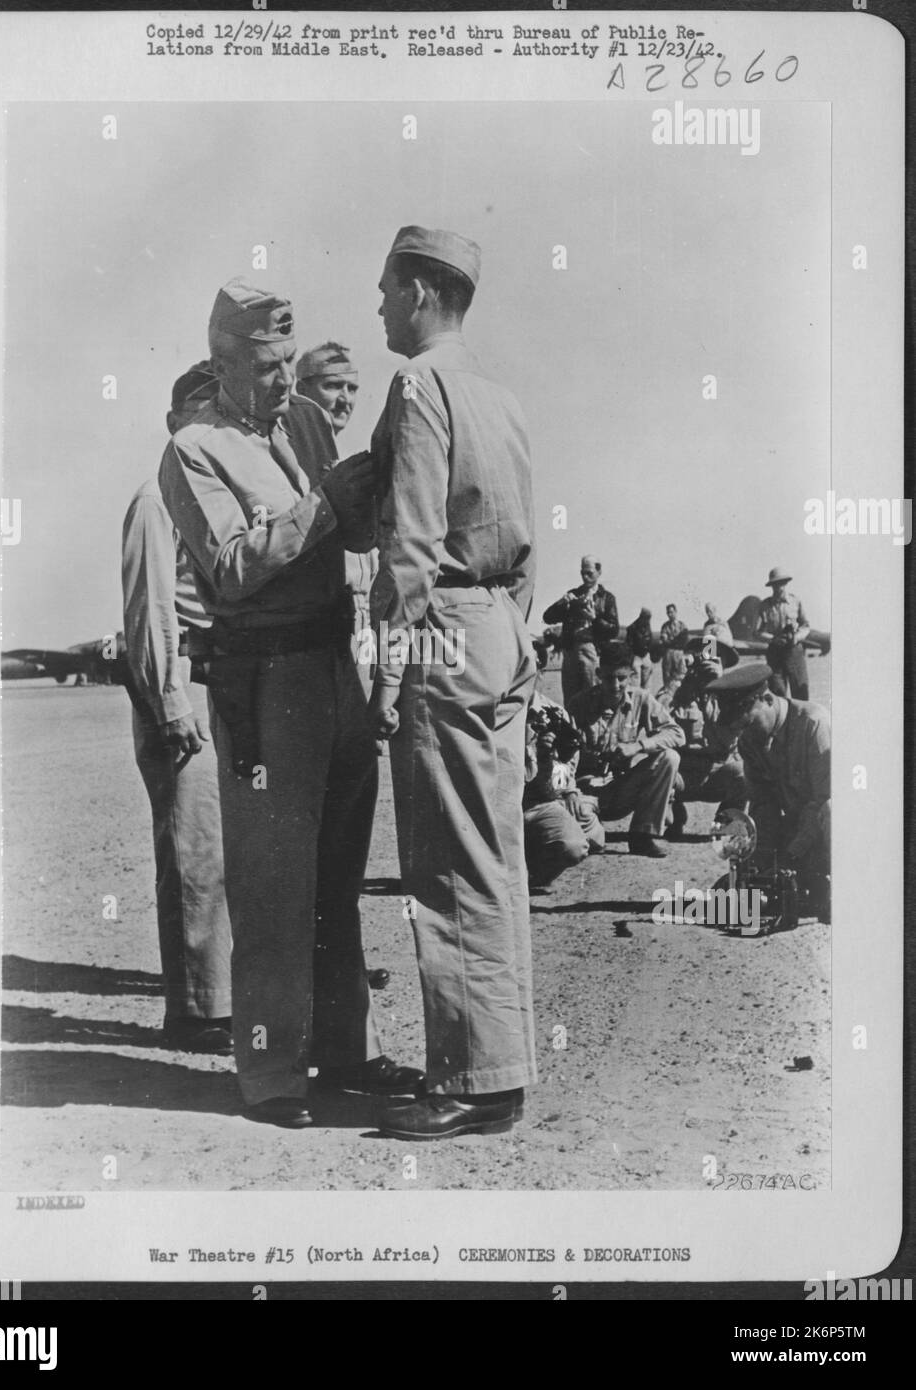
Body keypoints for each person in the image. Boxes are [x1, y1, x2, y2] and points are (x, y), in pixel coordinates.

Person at [159, 278, 420, 1128]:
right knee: (274, 886)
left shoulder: (303, 421)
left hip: (334, 665)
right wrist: (322, 510)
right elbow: (231, 566)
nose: (284, 383)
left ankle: (344, 1052)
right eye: (267, 369)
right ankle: (271, 1074)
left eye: (286, 364)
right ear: (225, 364)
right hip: (267, 682)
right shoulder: (193, 451)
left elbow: (353, 526)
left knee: (336, 878)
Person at [366, 225, 537, 1141]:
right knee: (494, 854)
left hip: (445, 631)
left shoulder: (419, 384)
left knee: (444, 858)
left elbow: (412, 547)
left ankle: (475, 1081)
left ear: (424, 293)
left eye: (389, 289)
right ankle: (497, 1066)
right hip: (502, 628)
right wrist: (512, 637)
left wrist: (392, 668)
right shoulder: (498, 394)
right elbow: (526, 541)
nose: (380, 304)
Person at [121, 362, 232, 1053]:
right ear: (172, 425)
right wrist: (169, 701)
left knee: (230, 849)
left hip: (226, 681)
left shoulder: (218, 500)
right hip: (182, 684)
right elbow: (148, 612)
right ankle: (197, 1011)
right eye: (197, 416)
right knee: (194, 850)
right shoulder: (155, 499)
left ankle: (226, 997)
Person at [706, 663, 830, 921]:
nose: (744, 735)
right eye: (739, 729)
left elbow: (822, 802)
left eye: (748, 724)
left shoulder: (813, 723)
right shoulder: (752, 738)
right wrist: (760, 863)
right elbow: (763, 804)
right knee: (736, 889)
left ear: (768, 699)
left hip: (832, 829)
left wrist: (791, 855)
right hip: (802, 827)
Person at [295, 342, 376, 697]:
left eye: (352, 388)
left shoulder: (352, 467)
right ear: (301, 391)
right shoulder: (286, 466)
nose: (345, 399)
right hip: (309, 637)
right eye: (332, 386)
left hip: (363, 633)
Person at [568, 640, 684, 857]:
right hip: (587, 793)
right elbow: (561, 756)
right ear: (599, 673)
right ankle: (593, 830)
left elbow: (677, 733)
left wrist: (638, 746)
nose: (615, 685)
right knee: (591, 846)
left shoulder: (641, 699)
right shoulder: (579, 704)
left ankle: (642, 836)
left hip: (623, 790)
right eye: (609, 678)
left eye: (621, 678)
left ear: (631, 675)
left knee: (669, 757)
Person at [659, 634, 747, 839]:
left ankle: (724, 825)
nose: (707, 665)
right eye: (702, 658)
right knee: (659, 767)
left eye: (715, 660)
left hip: (717, 771)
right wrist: (685, 688)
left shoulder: (733, 695)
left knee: (745, 773)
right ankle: (674, 817)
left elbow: (730, 739)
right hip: (683, 773)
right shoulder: (676, 689)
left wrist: (719, 690)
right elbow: (656, 722)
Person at [524, 682, 603, 888]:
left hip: (538, 800)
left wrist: (546, 761)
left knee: (583, 842)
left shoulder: (554, 713)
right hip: (497, 801)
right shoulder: (489, 708)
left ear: (539, 672)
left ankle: (535, 874)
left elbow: (562, 775)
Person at [543, 557, 619, 705]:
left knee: (594, 696)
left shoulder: (607, 598)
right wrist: (561, 603)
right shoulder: (573, 595)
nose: (585, 577)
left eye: (589, 573)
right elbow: (548, 618)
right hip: (571, 650)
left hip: (593, 651)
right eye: (583, 573)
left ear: (599, 572)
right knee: (571, 698)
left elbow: (613, 630)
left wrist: (595, 619)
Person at [753, 565, 810, 700]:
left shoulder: (796, 601)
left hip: (794, 651)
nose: (779, 587)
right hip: (775, 653)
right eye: (775, 584)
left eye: (782, 583)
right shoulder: (765, 605)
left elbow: (806, 626)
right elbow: (756, 632)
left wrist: (797, 637)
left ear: (786, 583)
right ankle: (784, 721)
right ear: (771, 586)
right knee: (777, 692)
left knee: (800, 691)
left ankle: (800, 720)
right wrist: (772, 639)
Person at [625, 606, 655, 689]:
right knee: (635, 678)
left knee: (647, 678)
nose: (648, 619)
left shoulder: (647, 626)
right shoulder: (632, 628)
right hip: (636, 656)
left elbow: (650, 640)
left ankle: (646, 695)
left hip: (645, 655)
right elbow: (628, 644)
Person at [659, 603, 688, 684]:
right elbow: (664, 640)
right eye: (668, 613)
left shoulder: (682, 626)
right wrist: (674, 641)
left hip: (679, 654)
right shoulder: (665, 626)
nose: (670, 614)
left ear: (676, 612)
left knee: (681, 676)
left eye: (671, 612)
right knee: (667, 677)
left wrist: (670, 640)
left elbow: (683, 641)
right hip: (668, 654)